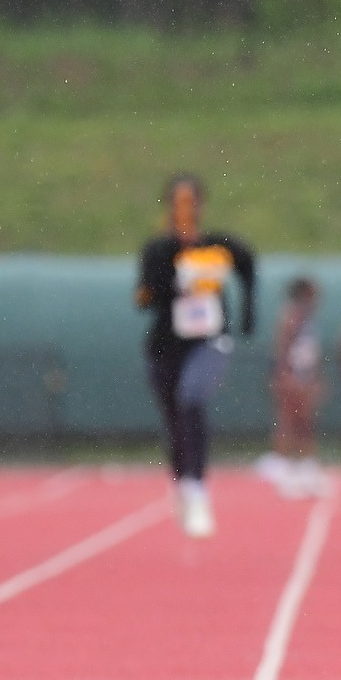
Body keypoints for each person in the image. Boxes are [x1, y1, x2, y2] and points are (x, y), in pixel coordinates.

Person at [135, 174, 256, 538]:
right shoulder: (158, 249)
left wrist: (249, 311)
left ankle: (198, 490)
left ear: (201, 205)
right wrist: (176, 279)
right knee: (175, 421)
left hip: (209, 342)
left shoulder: (218, 246)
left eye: (192, 201)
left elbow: (248, 264)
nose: (186, 208)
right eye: (178, 201)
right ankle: (182, 484)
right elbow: (144, 297)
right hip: (166, 345)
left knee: (192, 399)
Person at [259, 276, 325, 498]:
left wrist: (313, 377)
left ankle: (305, 470)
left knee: (304, 423)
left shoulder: (306, 317)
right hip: (293, 376)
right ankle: (286, 473)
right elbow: (283, 348)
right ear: (305, 294)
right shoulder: (291, 316)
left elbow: (309, 351)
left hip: (303, 375)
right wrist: (285, 376)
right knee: (289, 422)